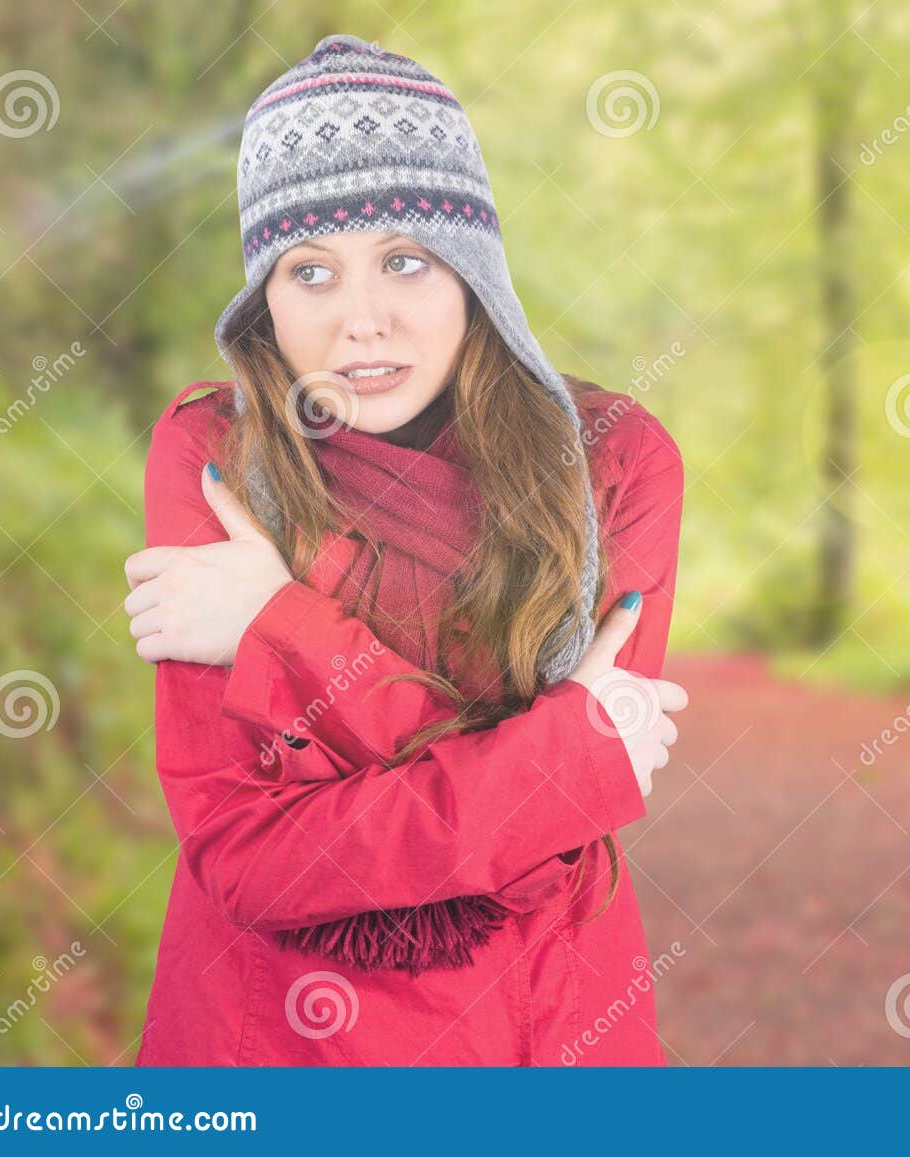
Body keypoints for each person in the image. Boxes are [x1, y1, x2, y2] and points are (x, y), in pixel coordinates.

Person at [120, 32, 685, 1065]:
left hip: (541, 1023)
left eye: (405, 261)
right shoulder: (214, 455)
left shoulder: (612, 465)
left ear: (472, 271)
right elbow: (249, 857)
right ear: (264, 299)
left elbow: (556, 852)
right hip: (272, 1043)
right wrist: (555, 753)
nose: (360, 321)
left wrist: (273, 624)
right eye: (310, 272)